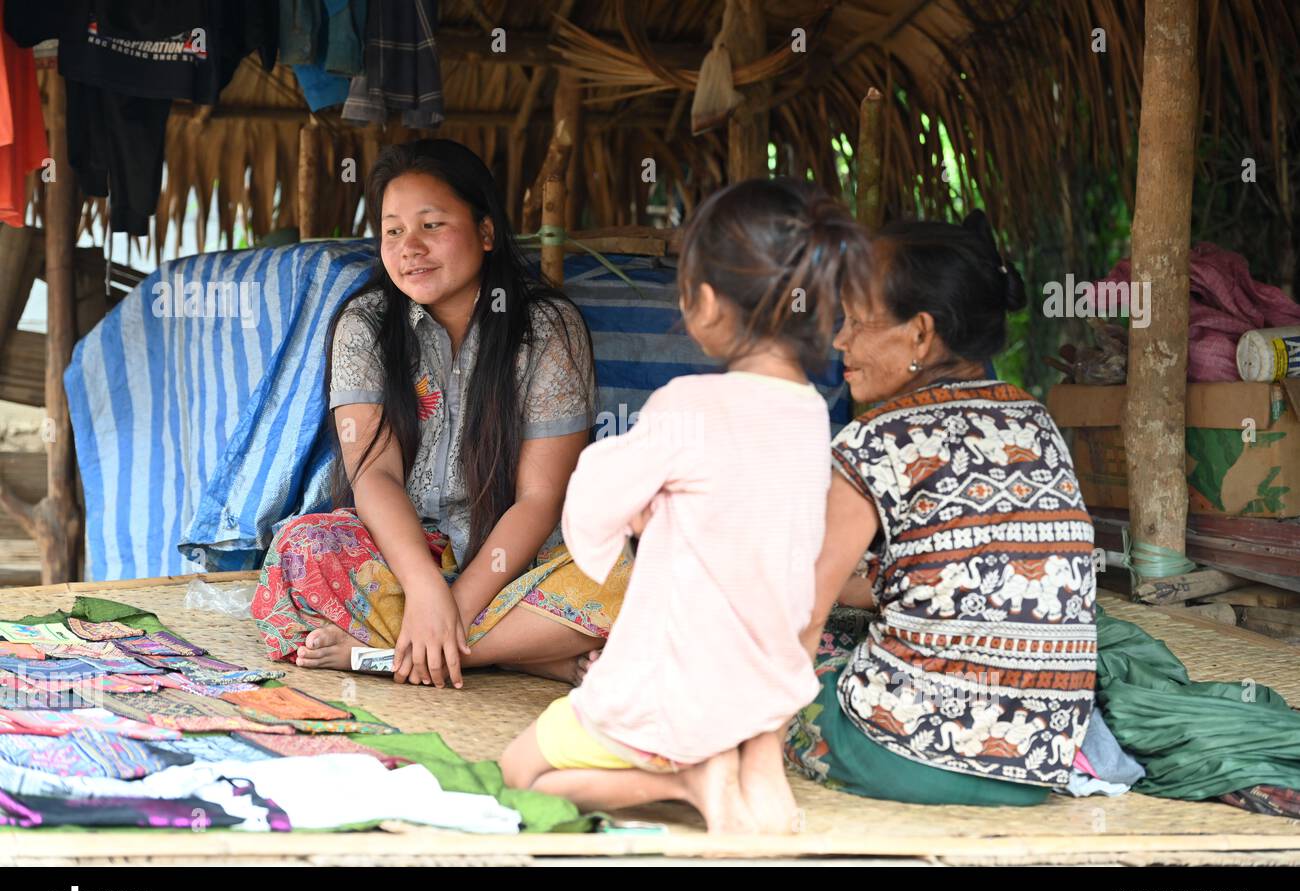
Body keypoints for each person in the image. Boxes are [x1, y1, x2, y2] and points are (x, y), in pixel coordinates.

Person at [500, 178, 871, 833]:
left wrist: (635, 509)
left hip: (667, 689)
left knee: (518, 773)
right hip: (758, 697)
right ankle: (728, 771)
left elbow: (593, 496)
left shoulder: (686, 404)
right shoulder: (812, 415)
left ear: (704, 302)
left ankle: (688, 784)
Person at [251, 140, 630, 687]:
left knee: (622, 571)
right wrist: (427, 589)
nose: (410, 248)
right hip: (406, 558)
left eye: (432, 225)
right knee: (301, 549)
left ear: (485, 232)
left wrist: (452, 606)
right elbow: (373, 475)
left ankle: (393, 654)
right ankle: (529, 652)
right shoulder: (366, 325)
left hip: (519, 565)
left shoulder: (546, 327)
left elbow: (540, 498)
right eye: (394, 230)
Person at [787, 211, 1098, 805]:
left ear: (920, 333)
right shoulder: (1036, 422)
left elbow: (801, 606)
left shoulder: (875, 438)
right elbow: (955, 573)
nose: (839, 341)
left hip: (899, 755)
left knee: (781, 667)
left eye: (855, 320)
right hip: (1032, 768)